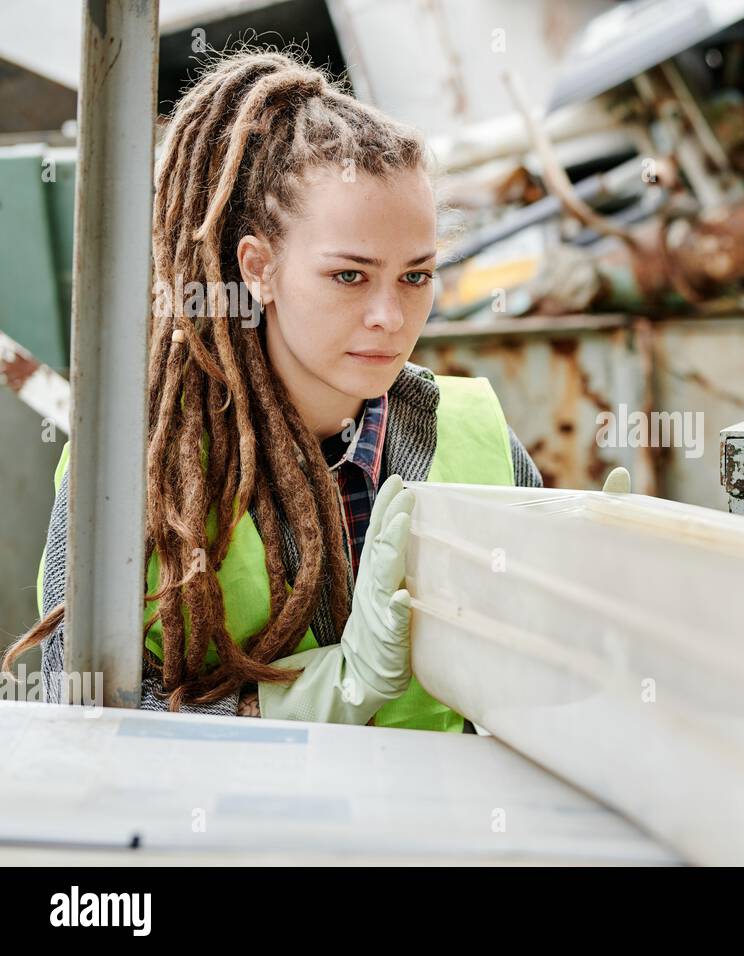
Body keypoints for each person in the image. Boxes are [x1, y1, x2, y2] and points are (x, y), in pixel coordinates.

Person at [0, 49, 543, 733]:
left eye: (416, 276)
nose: (390, 316)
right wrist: (324, 692)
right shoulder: (134, 467)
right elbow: (77, 713)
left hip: (445, 838)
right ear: (258, 268)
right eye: (349, 275)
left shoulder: (481, 440)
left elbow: (544, 705)